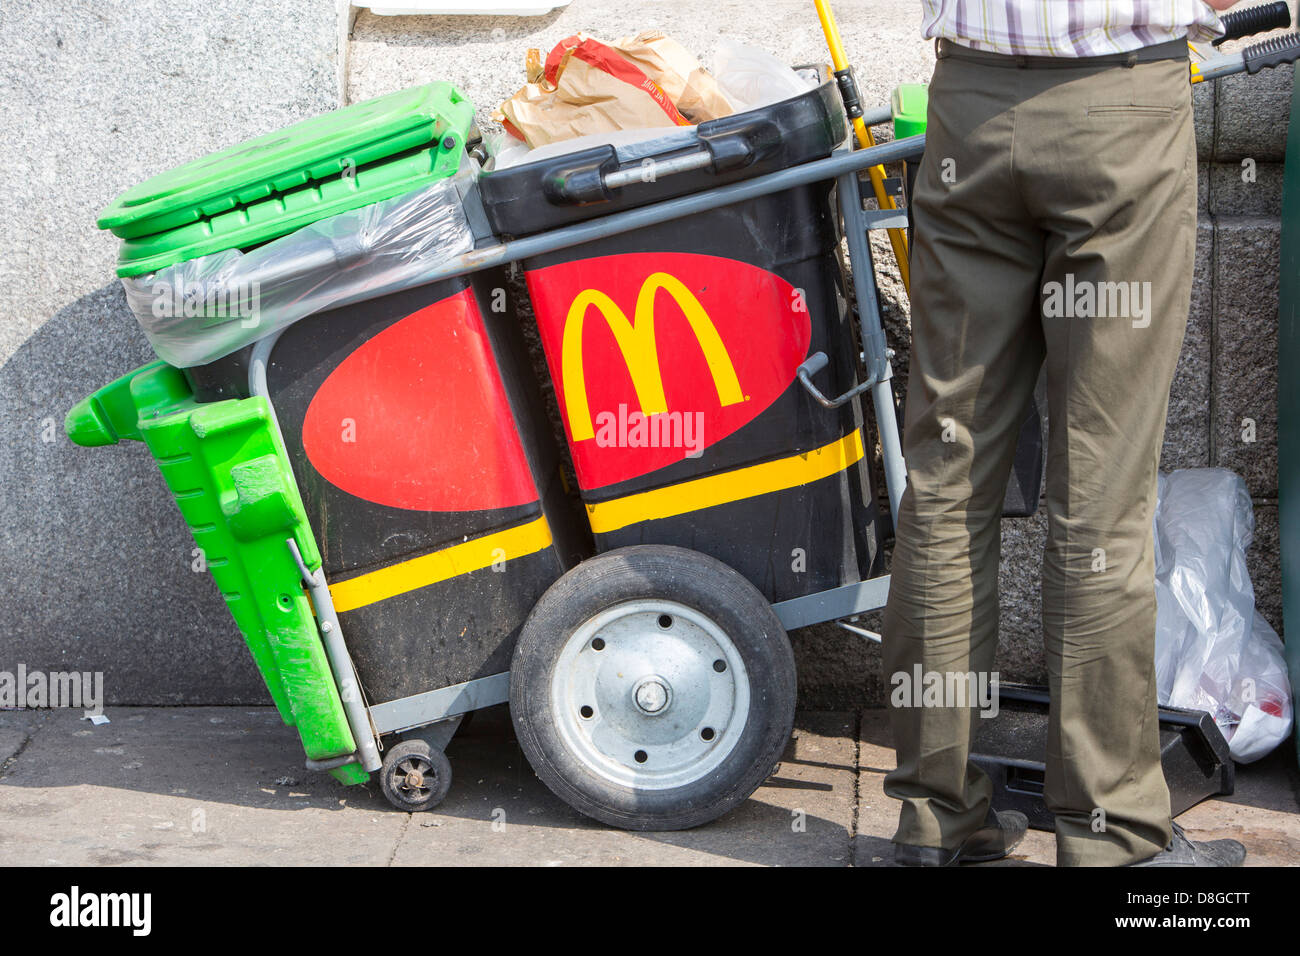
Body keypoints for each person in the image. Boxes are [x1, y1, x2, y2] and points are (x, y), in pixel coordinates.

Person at [885, 0, 1249, 866]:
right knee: (1101, 497)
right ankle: (1110, 834)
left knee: (947, 479)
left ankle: (936, 818)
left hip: (968, 108)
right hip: (1118, 117)